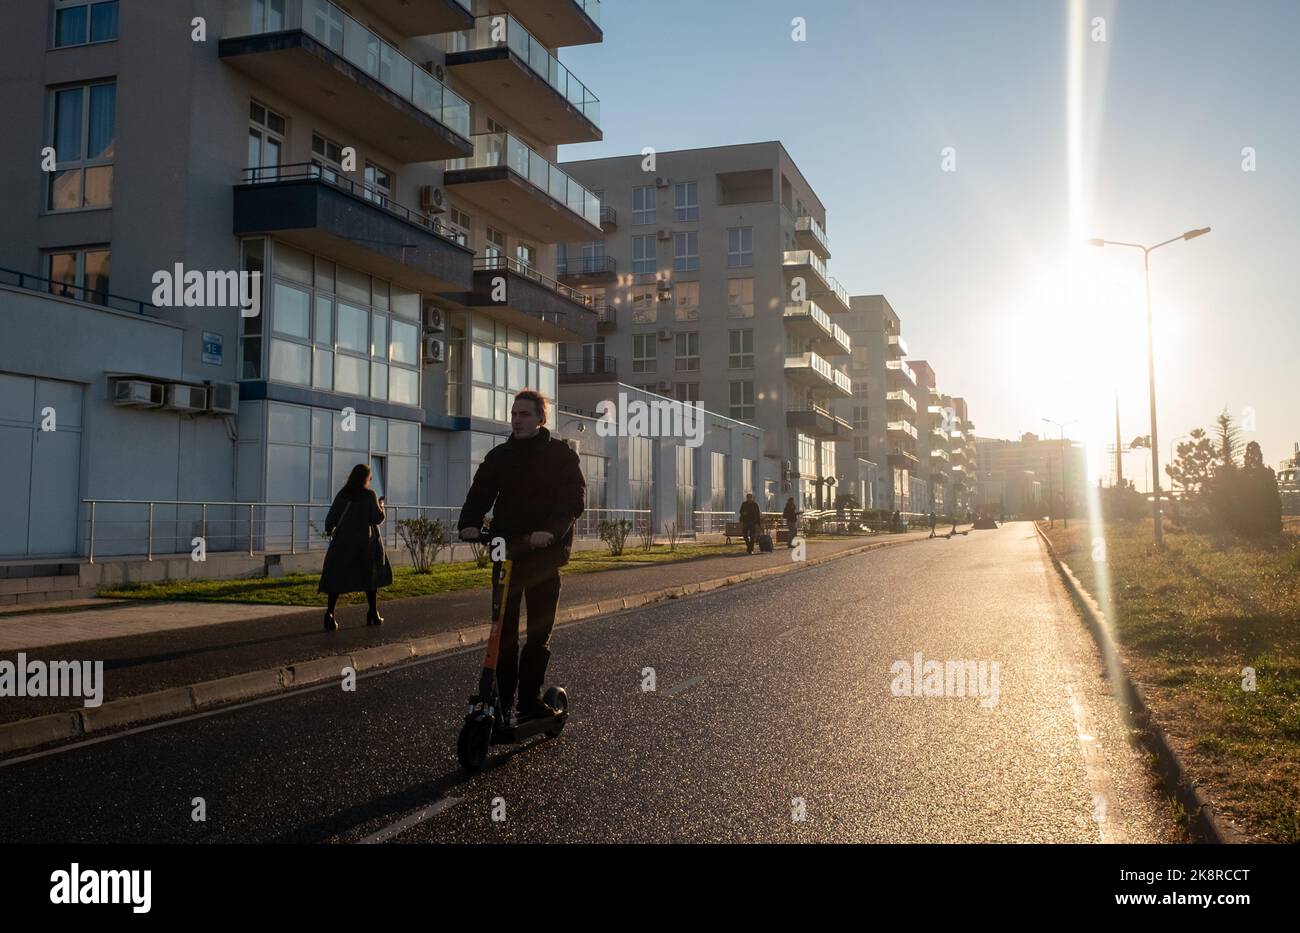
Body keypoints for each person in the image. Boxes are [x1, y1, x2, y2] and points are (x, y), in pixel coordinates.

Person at [458, 390, 585, 726]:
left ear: (541, 419)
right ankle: (502, 702)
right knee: (503, 633)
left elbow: (572, 501)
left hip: (544, 555)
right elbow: (481, 492)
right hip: (506, 551)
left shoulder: (560, 455)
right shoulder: (500, 456)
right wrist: (470, 523)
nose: (517, 420)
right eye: (514, 414)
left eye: (525, 414)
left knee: (538, 634)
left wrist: (551, 532)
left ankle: (529, 700)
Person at [318, 463, 392, 632]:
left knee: (337, 578)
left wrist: (332, 529)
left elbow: (330, 520)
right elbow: (377, 518)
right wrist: (381, 506)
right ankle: (373, 612)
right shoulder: (369, 495)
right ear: (366, 479)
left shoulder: (343, 494)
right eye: (370, 478)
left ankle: (330, 614)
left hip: (342, 543)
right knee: (370, 577)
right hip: (364, 543)